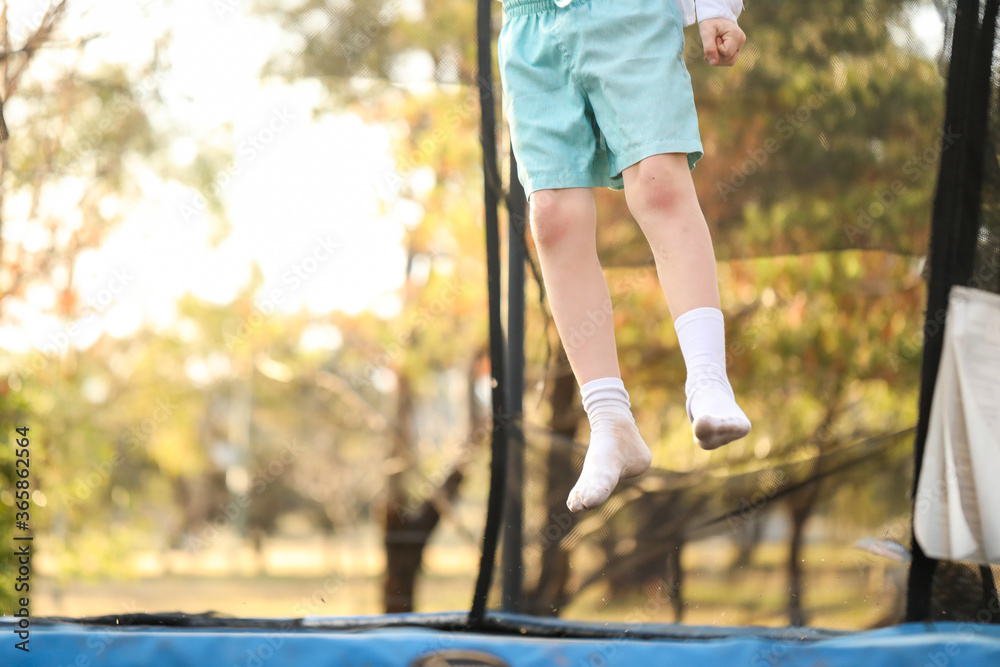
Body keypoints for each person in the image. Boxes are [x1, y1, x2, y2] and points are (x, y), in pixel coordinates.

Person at [496, 0, 752, 512]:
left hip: (629, 12)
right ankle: (610, 421)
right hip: (529, 26)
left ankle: (708, 380)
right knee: (551, 217)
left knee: (658, 183)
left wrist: (715, 7)